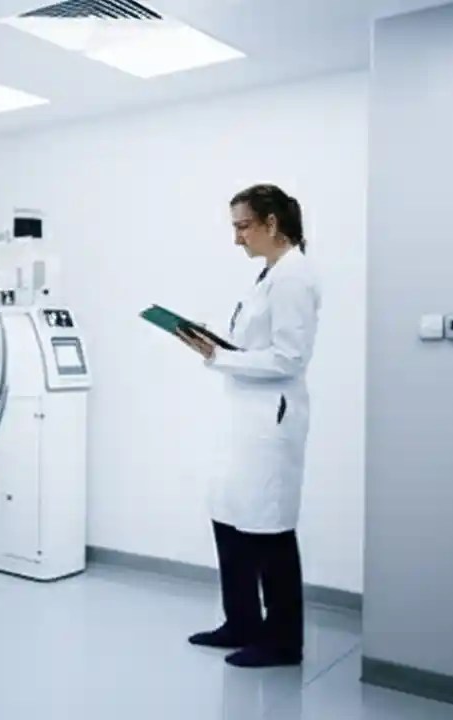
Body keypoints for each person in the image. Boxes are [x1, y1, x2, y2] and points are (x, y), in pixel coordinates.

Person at [176, 184, 322, 668]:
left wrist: (218, 356)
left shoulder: (294, 276)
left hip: (270, 420)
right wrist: (214, 343)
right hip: (244, 418)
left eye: (242, 226)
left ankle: (282, 642)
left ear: (271, 224)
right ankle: (240, 622)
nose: (237, 238)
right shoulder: (269, 275)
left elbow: (289, 358)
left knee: (269, 529)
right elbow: (253, 344)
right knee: (228, 513)